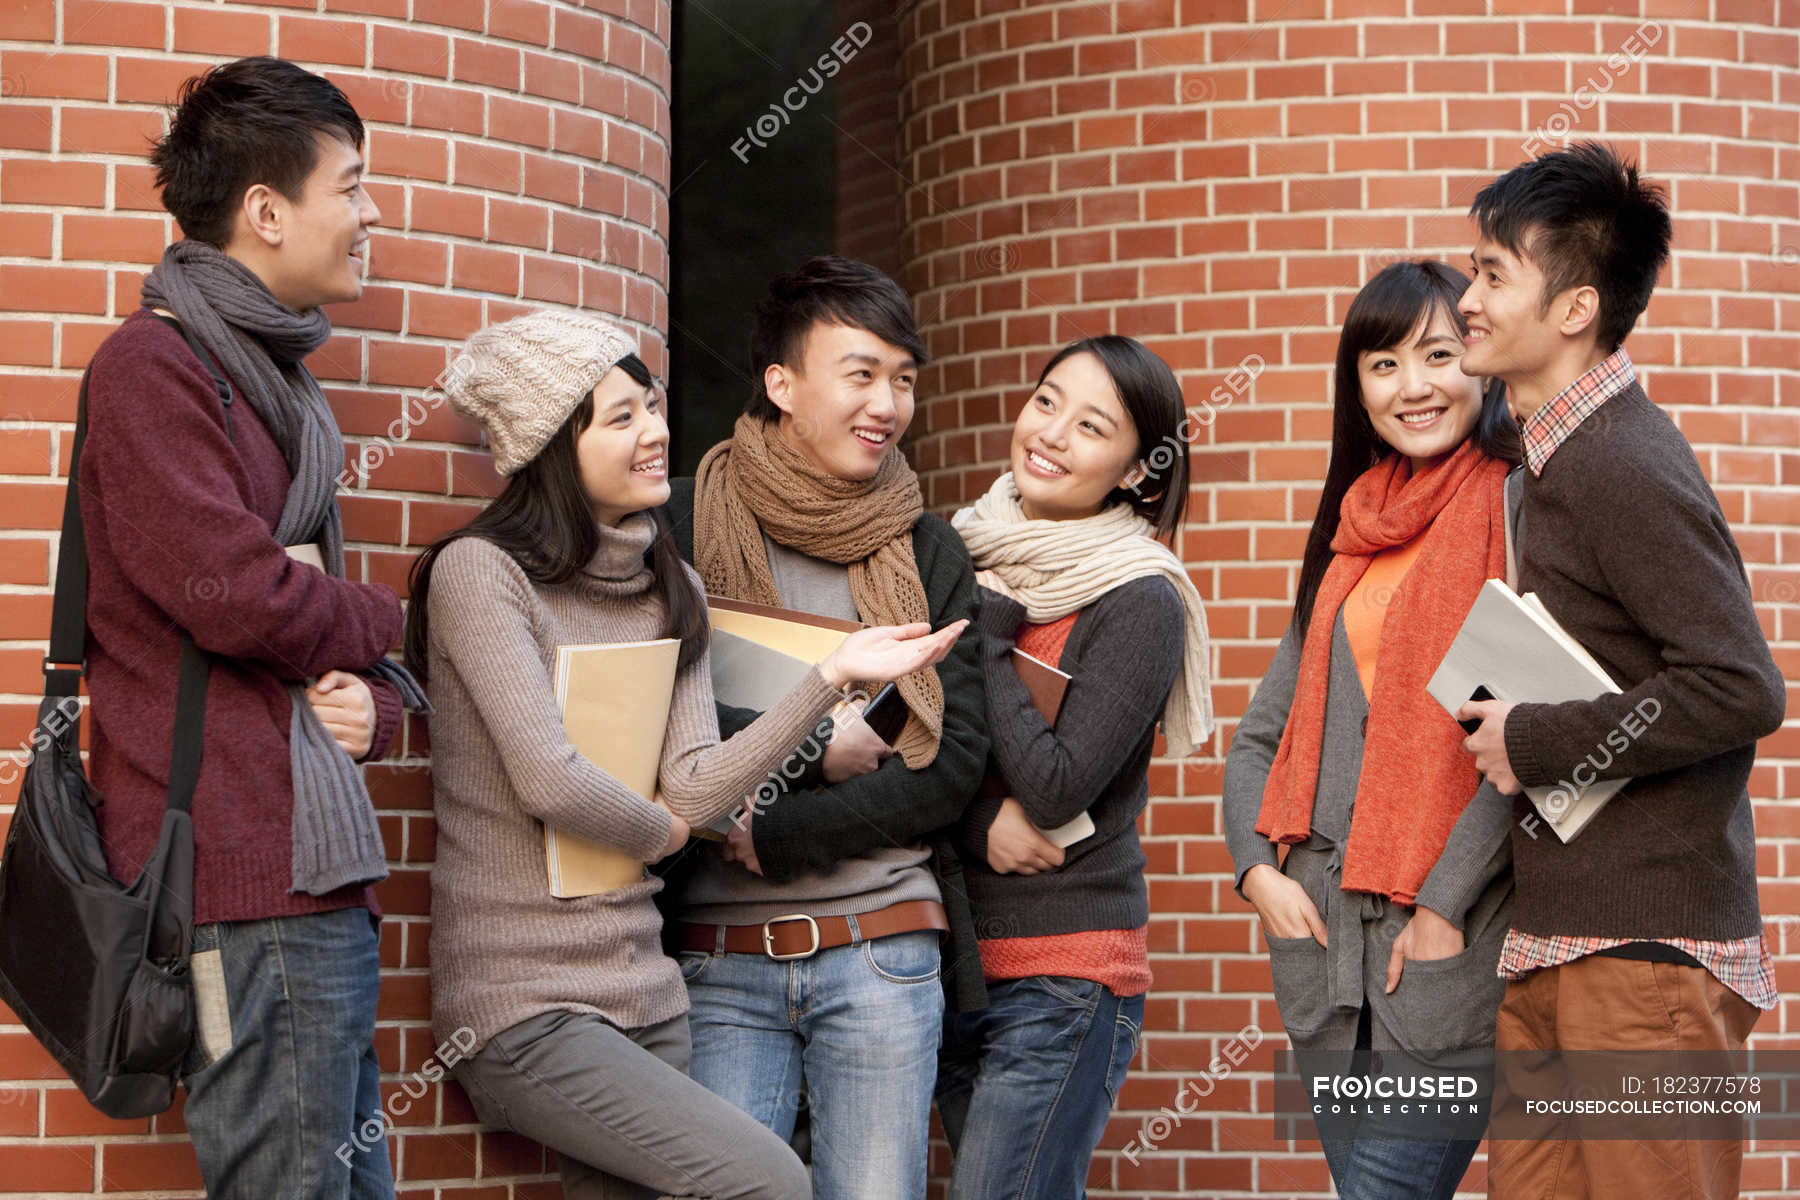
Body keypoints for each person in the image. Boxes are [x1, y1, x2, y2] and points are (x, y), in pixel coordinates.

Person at [405, 308, 964, 1200]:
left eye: (653, 407)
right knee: (769, 1181)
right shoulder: (481, 573)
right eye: (620, 417)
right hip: (526, 1003)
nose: (657, 432)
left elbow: (701, 784)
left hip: (648, 994)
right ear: (554, 443)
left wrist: (828, 677)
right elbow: (551, 775)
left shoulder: (671, 582)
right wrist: (664, 833)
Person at [77, 57, 426, 1198]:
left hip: (307, 870)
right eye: (355, 184)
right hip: (240, 881)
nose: (374, 213)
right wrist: (407, 615)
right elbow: (236, 596)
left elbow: (295, 616)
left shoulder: (272, 385)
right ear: (268, 210)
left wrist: (368, 701)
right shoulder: (156, 370)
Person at [1455, 142, 1786, 1199]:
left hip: (1643, 961)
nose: (1466, 298)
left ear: (1574, 308)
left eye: (1492, 272)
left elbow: (1740, 686)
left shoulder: (1619, 458)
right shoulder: (1552, 460)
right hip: (1561, 945)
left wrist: (1533, 737)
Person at [655, 255, 989, 1200]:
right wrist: (814, 743)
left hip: (881, 949)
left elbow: (953, 760)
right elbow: (648, 714)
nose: (887, 402)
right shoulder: (679, 522)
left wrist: (783, 825)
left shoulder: (927, 546)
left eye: (903, 379)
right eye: (861, 373)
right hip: (716, 957)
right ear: (781, 382)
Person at [1222, 261, 1522, 1199]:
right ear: (1357, 387)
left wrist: (1442, 907)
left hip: (1442, 947)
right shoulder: (1354, 535)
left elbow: (1523, 750)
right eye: (1383, 364)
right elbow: (1261, 737)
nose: (1414, 386)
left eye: (1440, 354)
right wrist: (1254, 870)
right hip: (1323, 958)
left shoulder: (1516, 511)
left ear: (1482, 361)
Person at [936, 335, 1214, 1198]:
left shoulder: (1140, 598)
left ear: (1137, 470)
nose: (1050, 433)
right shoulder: (959, 551)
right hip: (955, 960)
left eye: (1092, 426)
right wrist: (979, 824)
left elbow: (1055, 786)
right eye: (1047, 400)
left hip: (1064, 977)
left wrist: (984, 635)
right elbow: (913, 751)